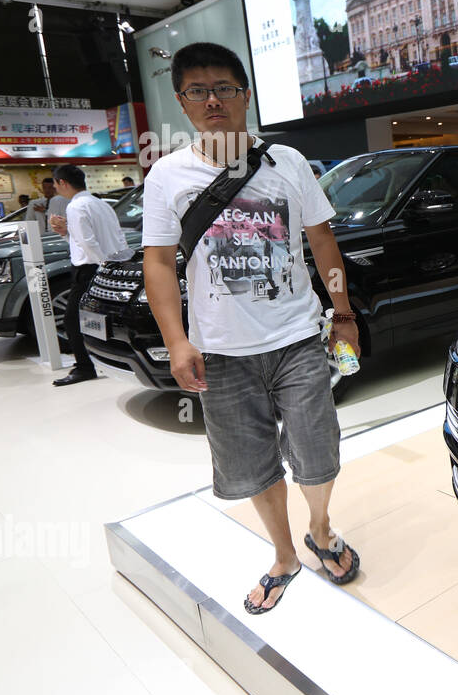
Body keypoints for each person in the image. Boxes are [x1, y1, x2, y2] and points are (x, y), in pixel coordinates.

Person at [139, 41, 362, 615]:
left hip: (296, 339)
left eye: (224, 88)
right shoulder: (167, 175)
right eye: (198, 90)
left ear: (245, 95)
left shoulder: (287, 162)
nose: (212, 100)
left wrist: (342, 314)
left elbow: (322, 240)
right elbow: (158, 262)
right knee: (250, 462)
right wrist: (176, 340)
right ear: (182, 102)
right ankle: (284, 555)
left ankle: (320, 528)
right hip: (220, 351)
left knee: (318, 451)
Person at [48, 164, 132, 386]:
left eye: (55, 184)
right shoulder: (102, 204)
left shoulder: (75, 207)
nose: (55, 188)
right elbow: (115, 237)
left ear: (62, 183)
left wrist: (102, 264)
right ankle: (110, 359)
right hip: (111, 263)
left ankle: (84, 367)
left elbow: (88, 243)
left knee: (72, 320)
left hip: (90, 269)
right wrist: (66, 232)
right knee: (103, 317)